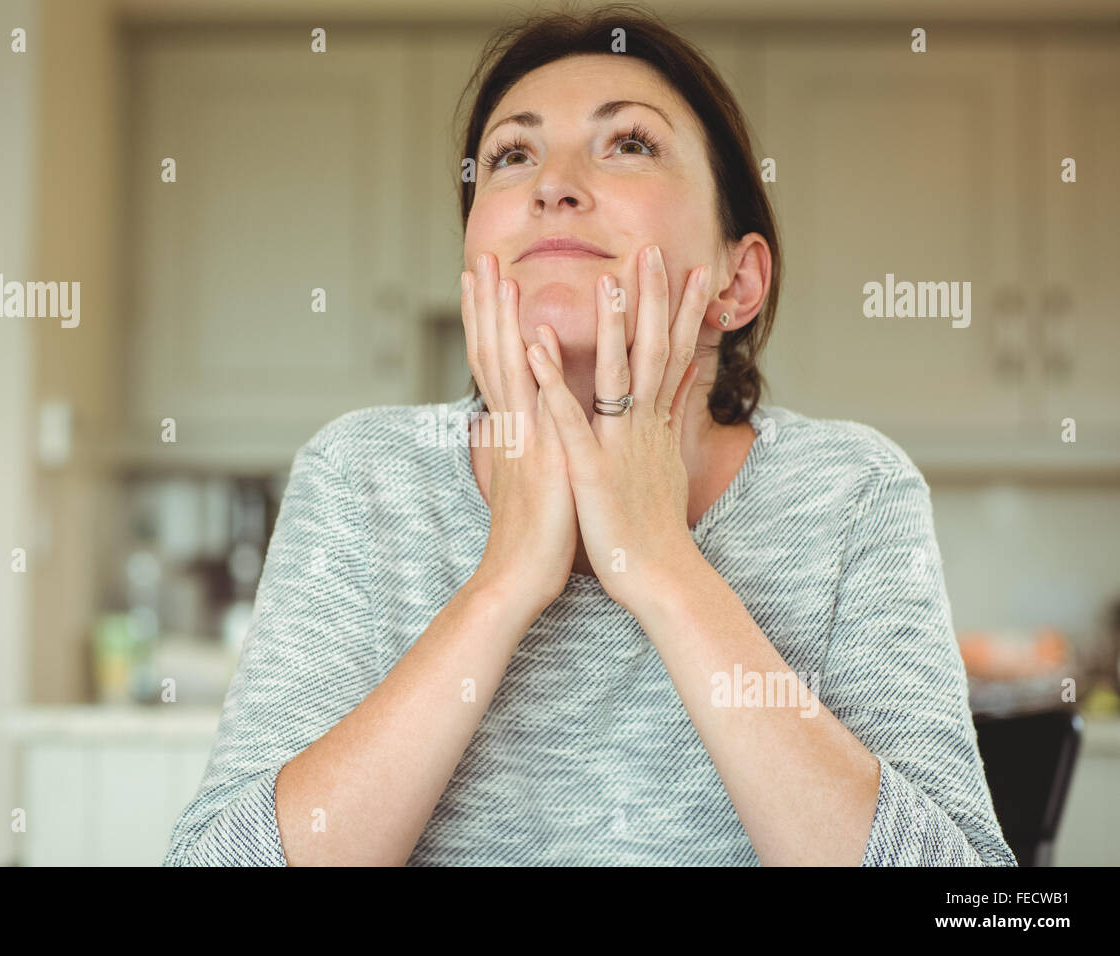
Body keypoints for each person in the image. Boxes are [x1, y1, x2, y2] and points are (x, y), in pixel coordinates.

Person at [164, 4, 1017, 867]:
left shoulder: (851, 492)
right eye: (511, 155)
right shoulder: (362, 478)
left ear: (738, 279)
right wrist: (503, 584)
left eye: (630, 144)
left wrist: (660, 564)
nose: (554, 184)